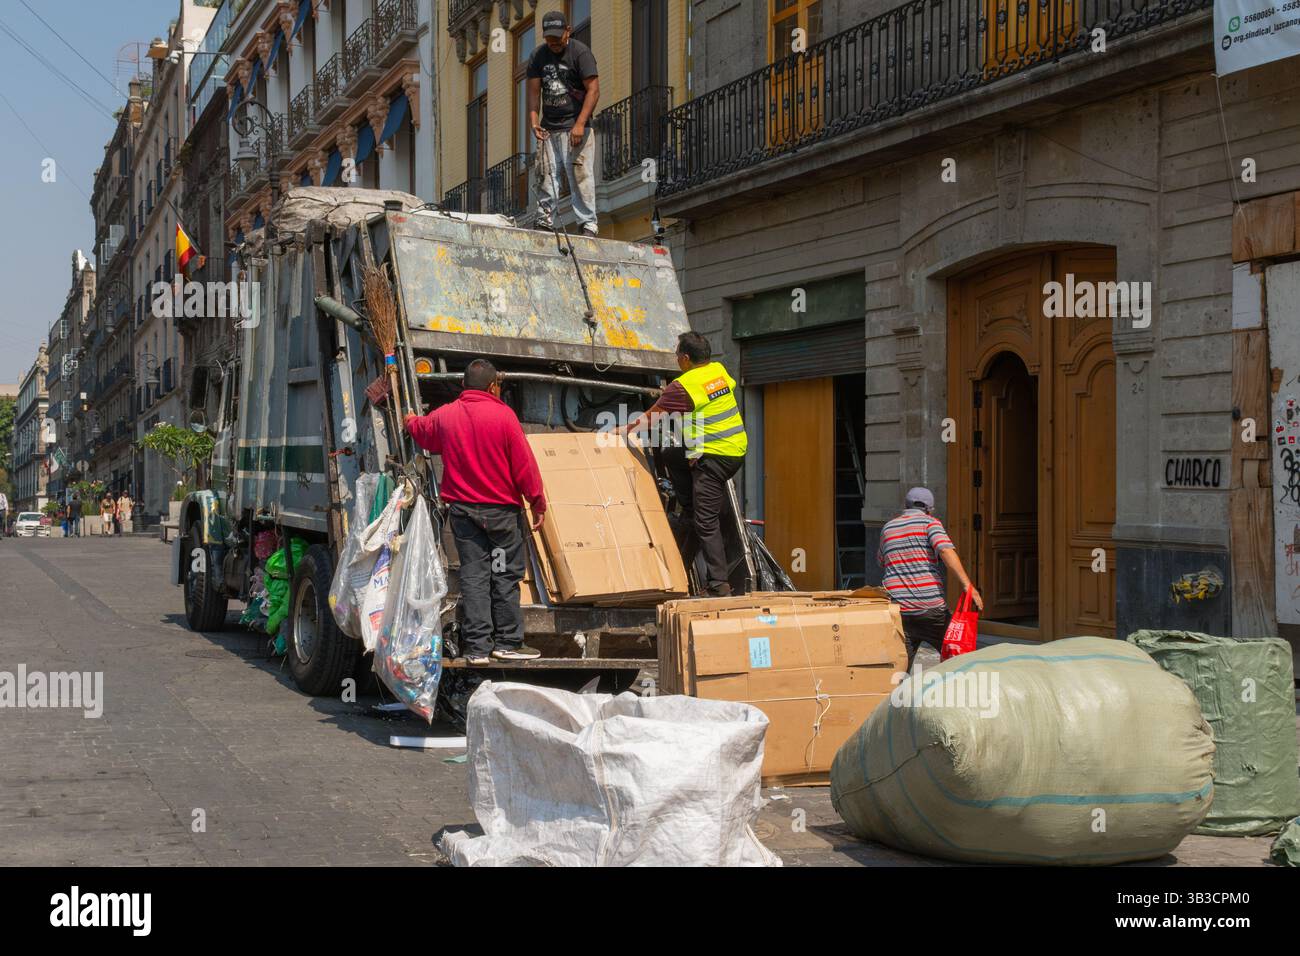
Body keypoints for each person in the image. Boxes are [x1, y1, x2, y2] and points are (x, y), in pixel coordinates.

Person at [403, 358, 547, 666]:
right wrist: (537, 502)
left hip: (464, 513)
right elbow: (525, 466)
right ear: (493, 386)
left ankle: (477, 648)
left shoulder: (446, 415)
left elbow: (423, 433)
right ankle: (507, 643)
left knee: (474, 576)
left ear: (464, 385)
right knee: (505, 575)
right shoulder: (504, 417)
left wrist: (410, 419)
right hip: (502, 515)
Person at [620, 331, 747, 596]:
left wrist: (623, 430)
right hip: (735, 449)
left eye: (678, 355)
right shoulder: (718, 371)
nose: (677, 360)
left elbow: (651, 418)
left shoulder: (683, 385)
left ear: (686, 358)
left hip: (713, 457)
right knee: (671, 454)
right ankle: (690, 505)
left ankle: (718, 585)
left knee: (705, 521)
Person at [877, 487, 984, 670]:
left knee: (899, 669)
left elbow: (881, 561)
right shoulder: (930, 523)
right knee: (957, 657)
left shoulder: (888, 528)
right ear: (929, 508)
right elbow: (944, 550)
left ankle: (897, 697)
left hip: (898, 609)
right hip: (929, 608)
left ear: (906, 505)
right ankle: (957, 693)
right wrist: (968, 586)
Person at [527, 10, 600, 235]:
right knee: (546, 174)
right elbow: (533, 93)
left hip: (576, 126)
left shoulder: (581, 53)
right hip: (549, 126)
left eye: (557, 39)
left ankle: (588, 223)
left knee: (580, 174)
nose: (554, 43)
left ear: (567, 31)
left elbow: (594, 90)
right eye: (549, 39)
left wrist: (580, 124)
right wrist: (533, 121)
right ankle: (544, 220)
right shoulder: (538, 56)